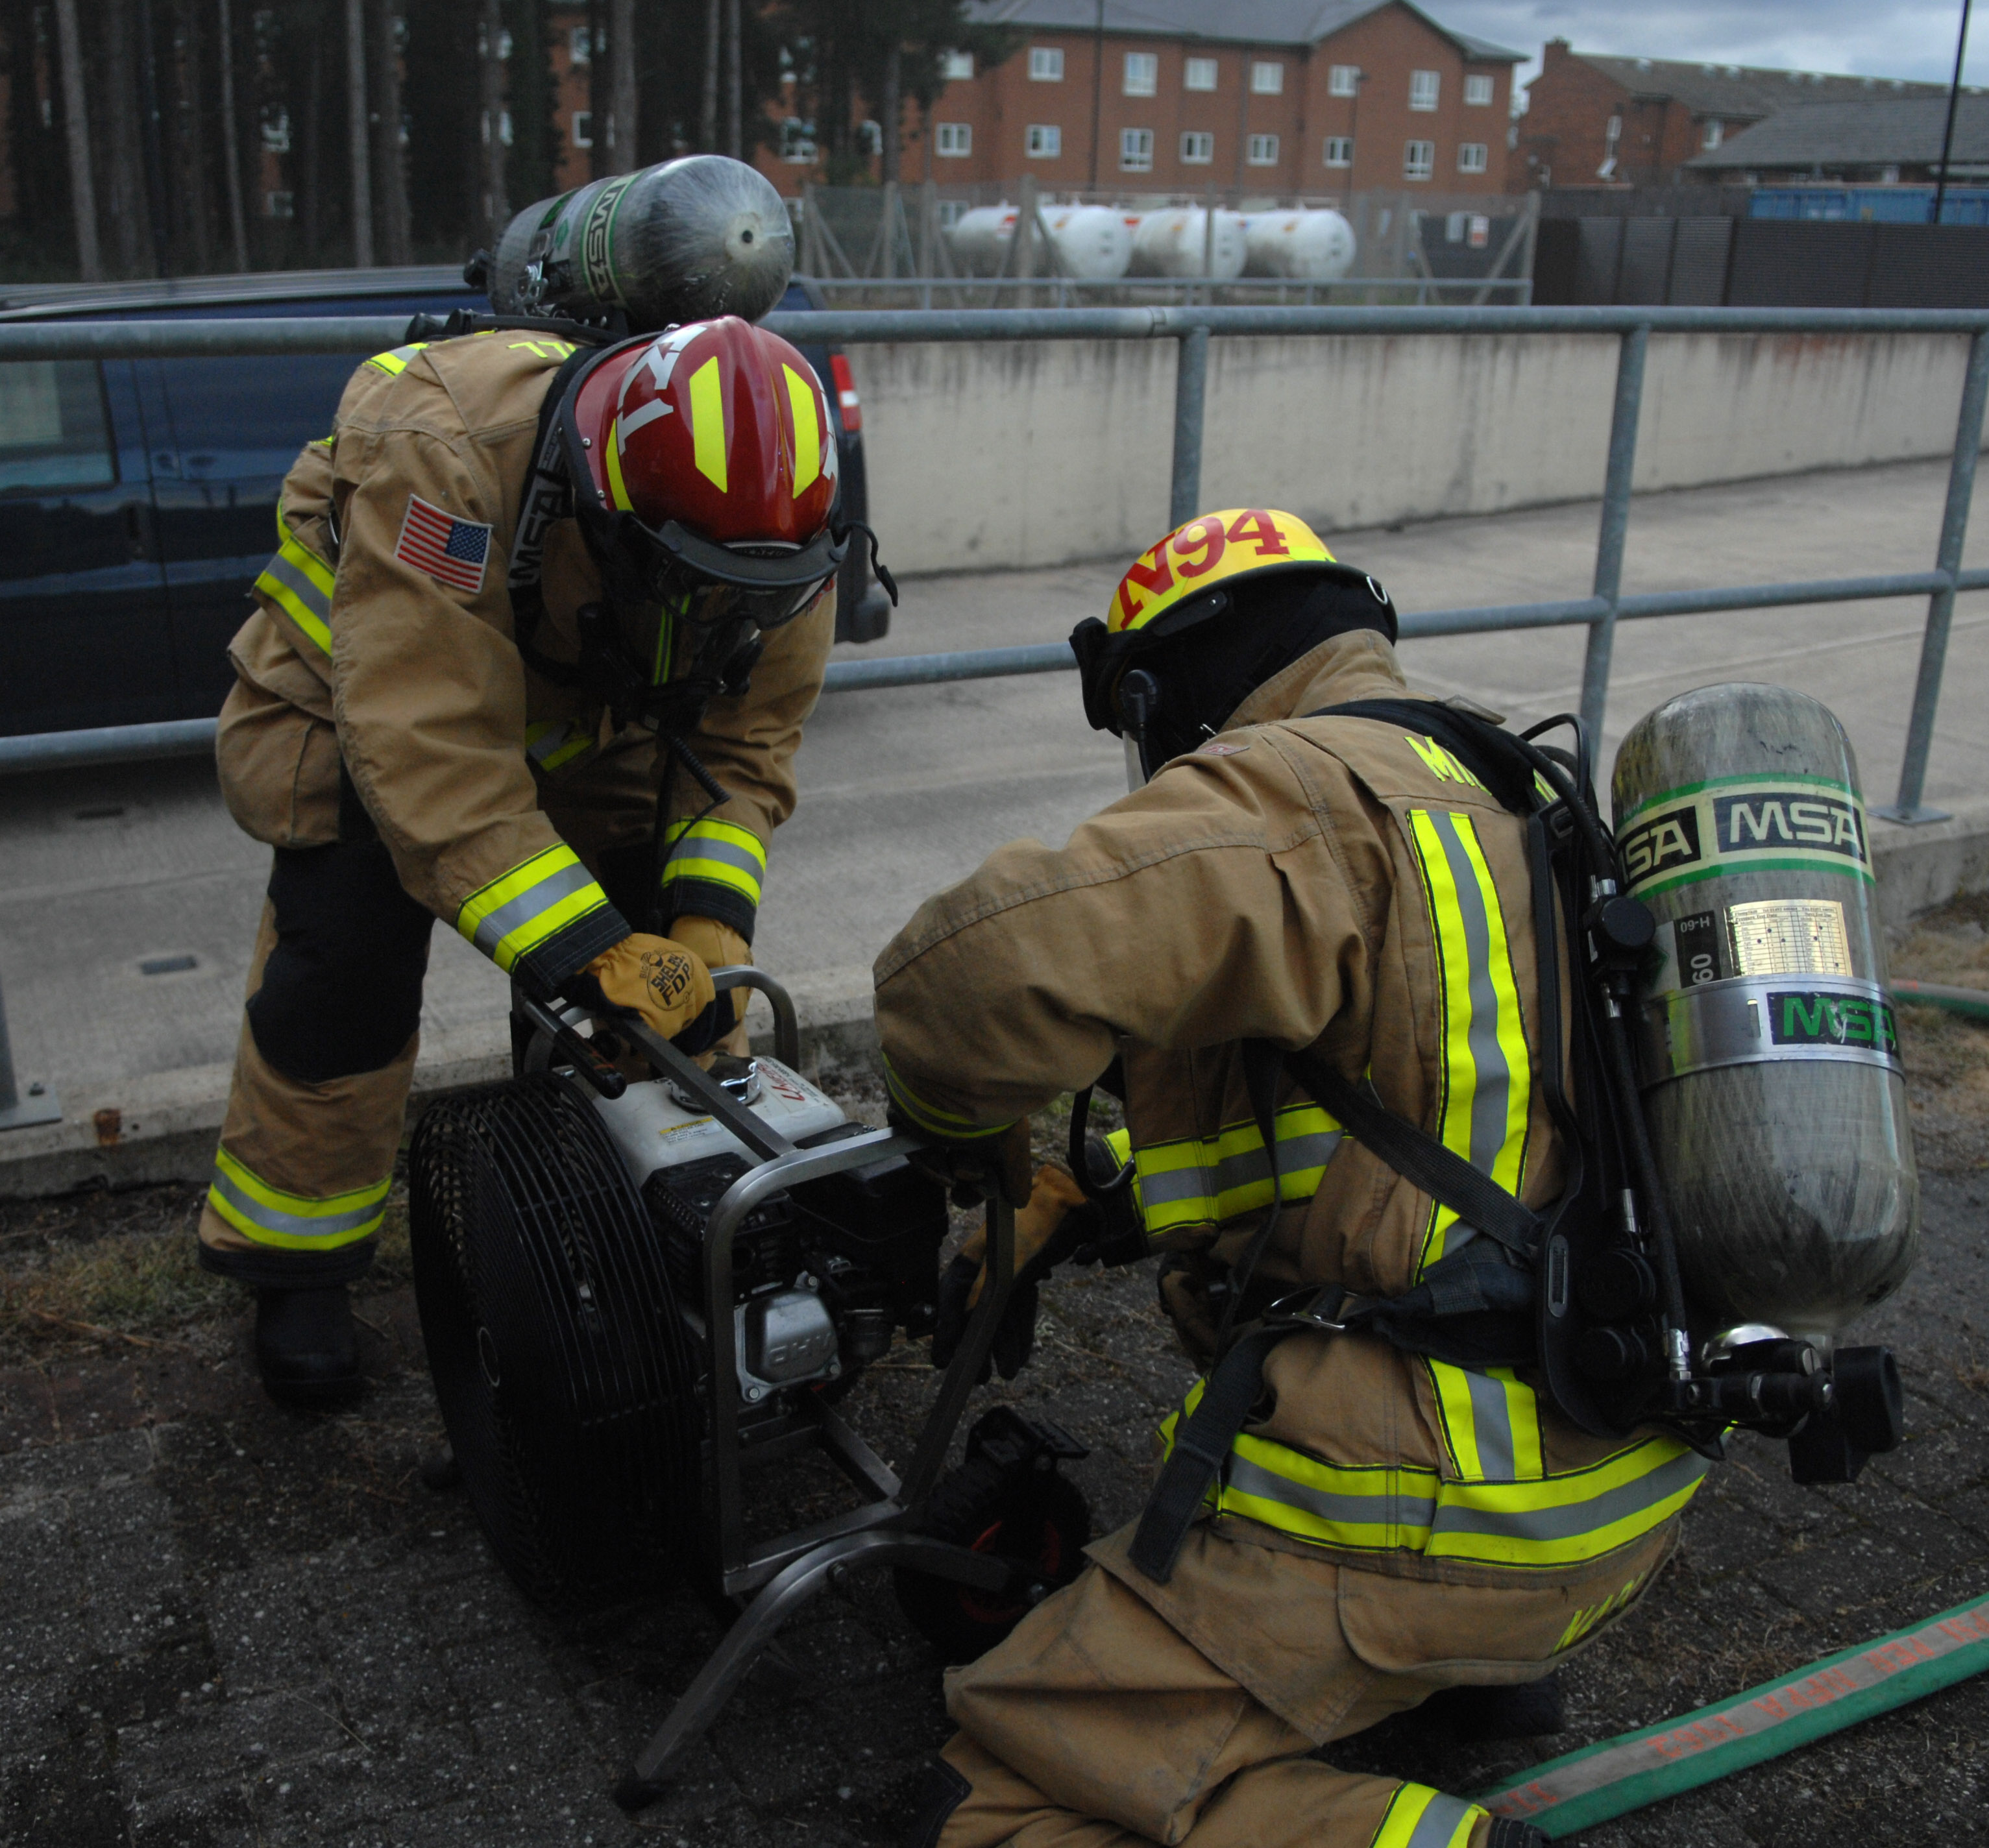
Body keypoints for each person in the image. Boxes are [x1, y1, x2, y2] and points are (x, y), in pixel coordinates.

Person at [876, 509, 1708, 1848]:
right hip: (1619, 1474)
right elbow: (1426, 1131)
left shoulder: (1292, 795)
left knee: (991, 1789)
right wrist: (1089, 1199)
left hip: (1430, 1506)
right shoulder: (1510, 784)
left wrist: (963, 1144)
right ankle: (1472, 1671)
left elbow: (955, 986)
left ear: (1154, 692)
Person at [203, 313, 866, 1407]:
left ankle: (612, 1213)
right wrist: (590, 948)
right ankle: (295, 1265)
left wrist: (700, 924)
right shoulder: (446, 449)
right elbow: (432, 746)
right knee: (343, 974)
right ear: (598, 499)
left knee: (662, 1003)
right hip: (362, 702)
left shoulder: (782, 527)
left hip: (593, 718)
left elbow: (744, 747)